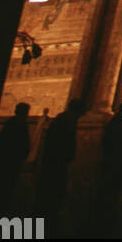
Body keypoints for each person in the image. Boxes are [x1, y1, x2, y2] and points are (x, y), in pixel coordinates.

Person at [36, 97, 86, 230]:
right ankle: (47, 220)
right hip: (56, 162)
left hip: (54, 161)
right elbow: (61, 143)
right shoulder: (66, 121)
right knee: (52, 190)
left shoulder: (62, 119)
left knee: (50, 190)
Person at [95, 101, 122, 228]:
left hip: (109, 163)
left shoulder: (114, 122)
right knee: (111, 194)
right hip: (116, 165)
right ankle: (104, 222)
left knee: (106, 193)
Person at [0, 102, 30, 211]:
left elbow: (1, 141)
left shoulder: (9, 123)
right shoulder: (21, 125)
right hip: (12, 163)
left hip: (3, 160)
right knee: (6, 188)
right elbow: (24, 145)